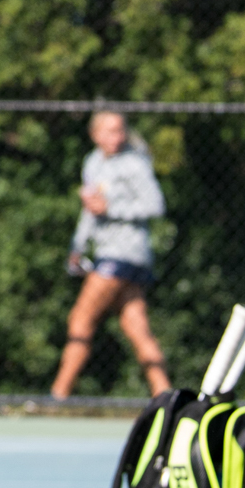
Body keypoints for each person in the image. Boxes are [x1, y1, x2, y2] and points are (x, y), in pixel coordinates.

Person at [50, 110, 170, 398]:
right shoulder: (92, 162)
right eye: (109, 131)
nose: (116, 136)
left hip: (124, 254)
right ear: (95, 134)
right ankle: (165, 395)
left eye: (120, 130)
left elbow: (156, 205)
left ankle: (58, 396)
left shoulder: (134, 164)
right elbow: (90, 210)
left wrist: (112, 210)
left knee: (80, 319)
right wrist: (78, 246)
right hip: (107, 253)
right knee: (135, 326)